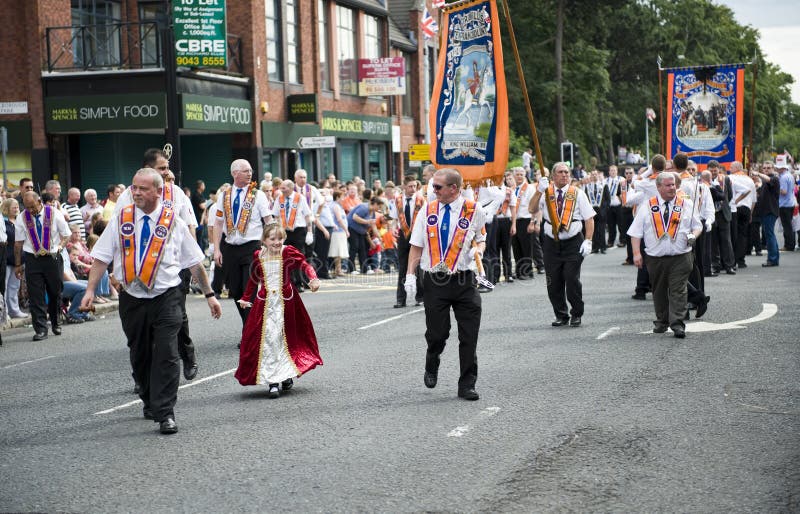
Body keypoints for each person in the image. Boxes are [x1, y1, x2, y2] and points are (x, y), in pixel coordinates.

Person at [81, 168, 221, 435]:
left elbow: (194, 262)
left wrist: (210, 295)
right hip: (132, 297)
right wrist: (89, 291)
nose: (136, 193)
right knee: (140, 352)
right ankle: (147, 397)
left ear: (159, 191)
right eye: (134, 188)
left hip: (167, 296)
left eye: (143, 189)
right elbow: (101, 257)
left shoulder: (173, 222)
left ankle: (166, 412)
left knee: (167, 353)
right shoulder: (121, 220)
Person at [405, 168, 487, 401]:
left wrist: (477, 250)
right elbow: (417, 245)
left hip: (464, 279)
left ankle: (467, 384)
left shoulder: (474, 210)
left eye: (438, 187)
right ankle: (433, 358)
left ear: (454, 188)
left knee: (469, 335)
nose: (433, 191)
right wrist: (410, 275)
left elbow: (481, 238)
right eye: (433, 186)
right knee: (438, 333)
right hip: (435, 280)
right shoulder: (427, 211)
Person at [235, 223, 323, 398]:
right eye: (272, 239)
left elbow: (305, 265)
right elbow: (254, 279)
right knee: (269, 339)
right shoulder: (258, 255)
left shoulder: (287, 252)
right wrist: (246, 298)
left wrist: (313, 278)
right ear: (264, 240)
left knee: (284, 338)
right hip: (265, 303)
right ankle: (273, 382)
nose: (276, 242)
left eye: (280, 238)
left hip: (287, 302)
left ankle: (286, 374)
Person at [628, 172, 703, 338]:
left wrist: (693, 235)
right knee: (659, 291)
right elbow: (635, 233)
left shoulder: (686, 205)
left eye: (674, 185)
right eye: (668, 185)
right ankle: (662, 321)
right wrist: (636, 254)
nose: (672, 188)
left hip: (681, 256)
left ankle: (677, 324)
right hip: (655, 258)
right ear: (659, 187)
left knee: (679, 290)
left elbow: (698, 226)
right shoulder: (647, 206)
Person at [529, 161, 595, 327]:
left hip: (573, 242)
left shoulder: (577, 193)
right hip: (551, 243)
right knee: (553, 281)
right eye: (560, 172)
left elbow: (589, 219)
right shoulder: (546, 193)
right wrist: (538, 191)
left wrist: (588, 240)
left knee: (571, 279)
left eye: (567, 172)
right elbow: (531, 209)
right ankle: (561, 314)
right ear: (552, 176)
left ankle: (576, 313)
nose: (564, 175)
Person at [213, 159, 272, 327]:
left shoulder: (257, 195)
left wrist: (274, 243)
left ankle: (250, 332)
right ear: (235, 173)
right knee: (236, 291)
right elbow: (217, 223)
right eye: (246, 171)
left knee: (249, 290)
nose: (250, 174)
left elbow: (268, 220)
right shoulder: (224, 196)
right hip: (230, 248)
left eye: (250, 170)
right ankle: (250, 326)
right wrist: (216, 249)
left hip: (252, 247)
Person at [14, 191, 71, 340]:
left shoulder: (54, 213)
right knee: (35, 295)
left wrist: (60, 246)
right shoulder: (22, 217)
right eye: (27, 208)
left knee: (55, 291)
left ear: (39, 201)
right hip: (33, 259)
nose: (30, 211)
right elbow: (18, 243)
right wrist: (18, 264)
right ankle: (40, 329)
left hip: (53, 258)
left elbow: (66, 235)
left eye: (32, 207)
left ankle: (56, 322)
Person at [272, 179, 314, 291]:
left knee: (297, 257)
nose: (281, 189)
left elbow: (307, 215)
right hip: (284, 232)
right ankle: (290, 283)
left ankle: (299, 283)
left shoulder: (300, 198)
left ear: (290, 188)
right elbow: (275, 216)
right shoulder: (279, 199)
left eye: (283, 188)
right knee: (285, 257)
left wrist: (309, 232)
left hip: (298, 231)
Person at [390, 175, 425, 307]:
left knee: (418, 266)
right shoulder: (398, 200)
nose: (413, 189)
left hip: (417, 235)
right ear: (404, 186)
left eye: (415, 186)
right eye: (410, 186)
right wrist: (393, 229)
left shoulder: (421, 200)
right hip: (403, 235)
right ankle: (401, 299)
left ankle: (420, 297)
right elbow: (394, 218)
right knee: (403, 267)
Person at [512, 167, 540, 278]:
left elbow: (534, 206)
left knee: (526, 248)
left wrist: (532, 222)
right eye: (517, 174)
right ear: (514, 176)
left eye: (521, 174)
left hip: (526, 219)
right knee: (516, 247)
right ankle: (519, 271)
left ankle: (527, 271)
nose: (519, 176)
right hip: (515, 220)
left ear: (524, 175)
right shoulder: (513, 188)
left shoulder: (529, 188)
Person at [751, 162, 781, 266]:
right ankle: (774, 258)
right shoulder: (765, 181)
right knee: (770, 235)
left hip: (770, 211)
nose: (766, 169)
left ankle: (772, 259)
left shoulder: (774, 179)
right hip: (765, 212)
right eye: (764, 168)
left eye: (769, 168)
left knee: (769, 235)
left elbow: (769, 180)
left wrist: (758, 174)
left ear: (773, 169)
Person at [2, 198, 25, 318]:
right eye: (14, 207)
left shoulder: (20, 221)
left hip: (19, 260)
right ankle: (4, 312)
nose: (17, 209)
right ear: (6, 208)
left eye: (17, 207)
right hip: (6, 260)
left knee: (14, 286)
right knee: (4, 286)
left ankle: (14, 310)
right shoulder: (3, 222)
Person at [328, 190, 350, 276]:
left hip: (339, 231)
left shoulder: (336, 205)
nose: (343, 199)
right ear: (337, 197)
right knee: (338, 251)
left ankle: (338, 269)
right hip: (338, 232)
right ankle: (338, 269)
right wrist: (346, 230)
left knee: (339, 251)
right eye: (342, 197)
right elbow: (339, 220)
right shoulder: (336, 206)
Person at [777, 159, 797, 251]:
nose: (777, 169)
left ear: (782, 168)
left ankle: (788, 245)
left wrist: (776, 190)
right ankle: (791, 244)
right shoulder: (789, 175)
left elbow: (784, 192)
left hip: (784, 204)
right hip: (790, 202)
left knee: (786, 226)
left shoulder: (783, 177)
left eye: (778, 168)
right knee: (789, 225)